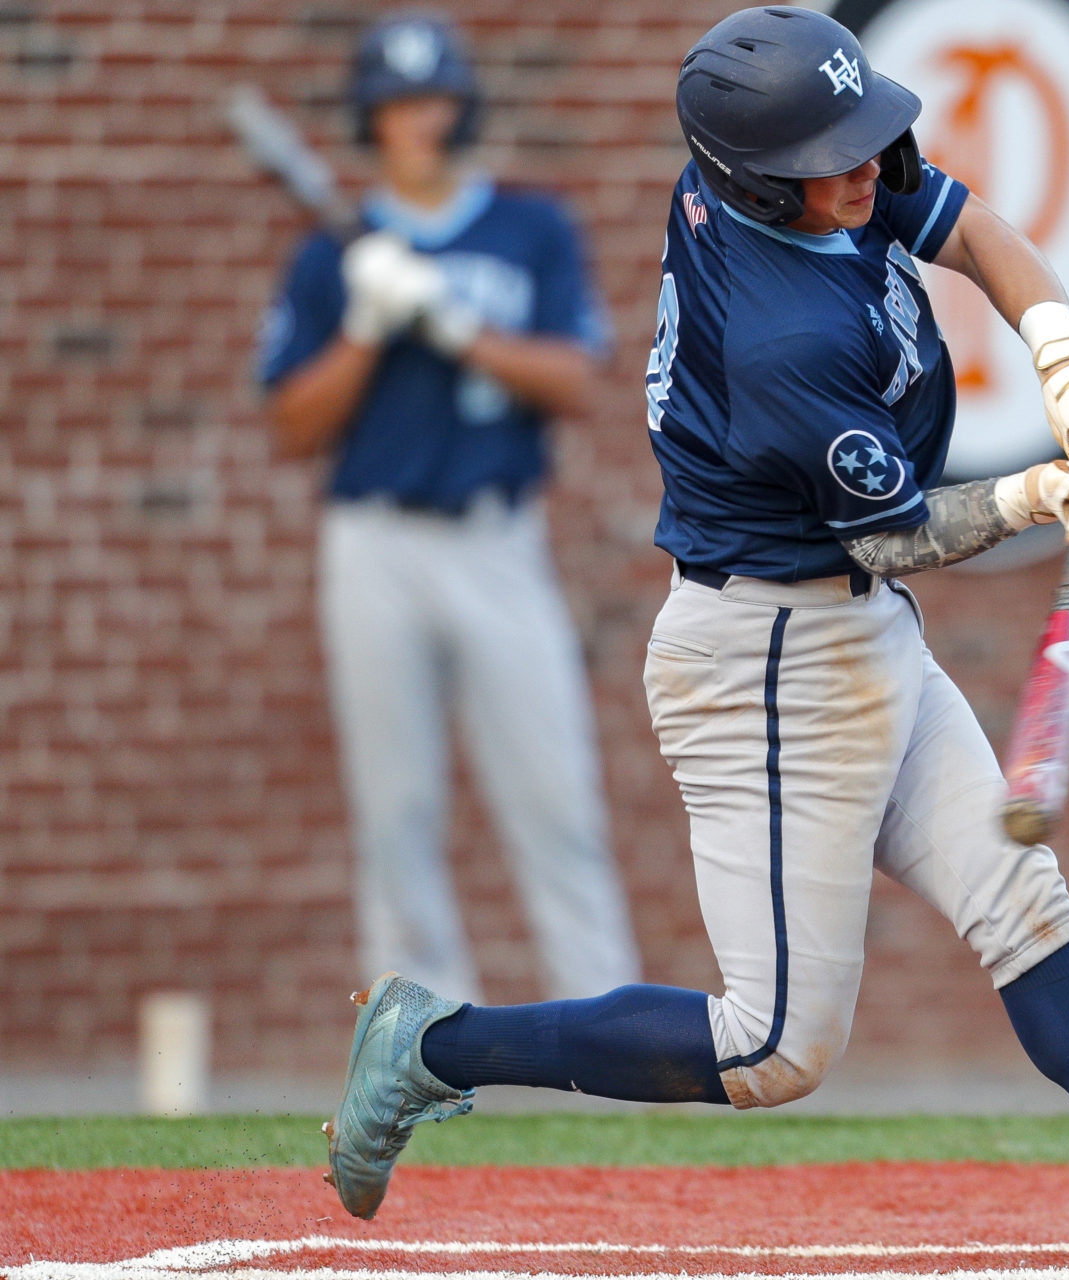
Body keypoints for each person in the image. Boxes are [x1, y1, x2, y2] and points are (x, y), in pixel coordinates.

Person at [322, 8, 1069, 1272]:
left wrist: (1062, 352)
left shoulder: (801, 175)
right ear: (758, 179)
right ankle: (433, 1046)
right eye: (834, 160)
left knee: (1023, 900)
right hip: (763, 659)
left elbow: (972, 230)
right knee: (773, 1047)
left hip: (859, 638)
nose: (869, 170)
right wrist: (1031, 493)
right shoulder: (784, 335)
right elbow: (895, 537)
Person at [259, 13, 642, 1005]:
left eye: (433, 101)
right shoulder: (328, 258)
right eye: (396, 106)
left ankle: (601, 1026)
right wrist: (367, 327)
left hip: (498, 537)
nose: (419, 122)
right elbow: (291, 424)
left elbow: (574, 379)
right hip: (374, 543)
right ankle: (420, 1047)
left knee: (556, 795)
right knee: (397, 809)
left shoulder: (531, 227)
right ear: (370, 121)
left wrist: (455, 322)